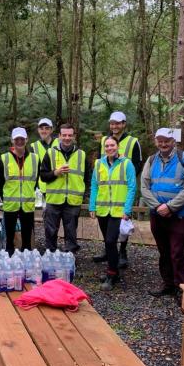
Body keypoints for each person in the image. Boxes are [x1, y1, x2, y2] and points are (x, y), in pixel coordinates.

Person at [140, 127, 184, 298]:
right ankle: (168, 284)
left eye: (167, 141)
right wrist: (158, 207)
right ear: (156, 141)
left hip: (179, 216)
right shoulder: (151, 160)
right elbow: (144, 186)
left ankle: (182, 290)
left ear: (174, 142)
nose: (163, 144)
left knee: (177, 253)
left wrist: (171, 207)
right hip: (157, 215)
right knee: (164, 251)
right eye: (160, 141)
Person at [94, 111, 143, 269]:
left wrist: (124, 177)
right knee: (108, 231)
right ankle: (109, 251)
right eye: (112, 123)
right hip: (106, 191)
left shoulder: (133, 141)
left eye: (118, 123)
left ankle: (122, 251)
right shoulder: (104, 140)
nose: (114, 126)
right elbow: (100, 163)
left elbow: (138, 163)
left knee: (122, 226)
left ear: (124, 124)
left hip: (123, 188)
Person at [89, 136, 136, 291]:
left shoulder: (126, 164)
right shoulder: (99, 164)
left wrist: (127, 209)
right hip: (103, 210)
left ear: (118, 147)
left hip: (118, 211)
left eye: (112, 145)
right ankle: (114, 271)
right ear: (104, 148)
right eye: (107, 146)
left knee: (110, 241)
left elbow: (131, 187)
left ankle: (111, 274)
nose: (110, 148)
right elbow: (95, 186)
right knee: (108, 243)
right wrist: (92, 207)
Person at [39, 123, 87, 253]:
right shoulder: (50, 153)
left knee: (71, 231)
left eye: (70, 135)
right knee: (50, 230)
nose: (67, 138)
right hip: (54, 199)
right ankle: (51, 255)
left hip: (73, 201)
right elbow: (42, 176)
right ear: (59, 136)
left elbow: (87, 178)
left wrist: (83, 195)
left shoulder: (82, 155)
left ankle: (69, 257)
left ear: (74, 136)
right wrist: (55, 172)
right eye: (64, 135)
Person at [0, 127, 38, 256]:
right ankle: (10, 261)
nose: (19, 141)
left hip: (27, 203)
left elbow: (35, 180)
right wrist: (6, 196)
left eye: (22, 139)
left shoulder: (35, 159)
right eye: (16, 139)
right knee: (9, 240)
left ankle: (26, 261)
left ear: (26, 140)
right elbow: (0, 181)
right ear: (12, 141)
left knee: (27, 240)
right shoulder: (3, 159)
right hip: (10, 203)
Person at [30, 118, 56, 198]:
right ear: (38, 130)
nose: (44, 131)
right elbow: (32, 170)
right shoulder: (33, 147)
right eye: (41, 128)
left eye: (47, 128)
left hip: (59, 188)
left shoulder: (60, 143)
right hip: (41, 189)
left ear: (51, 130)